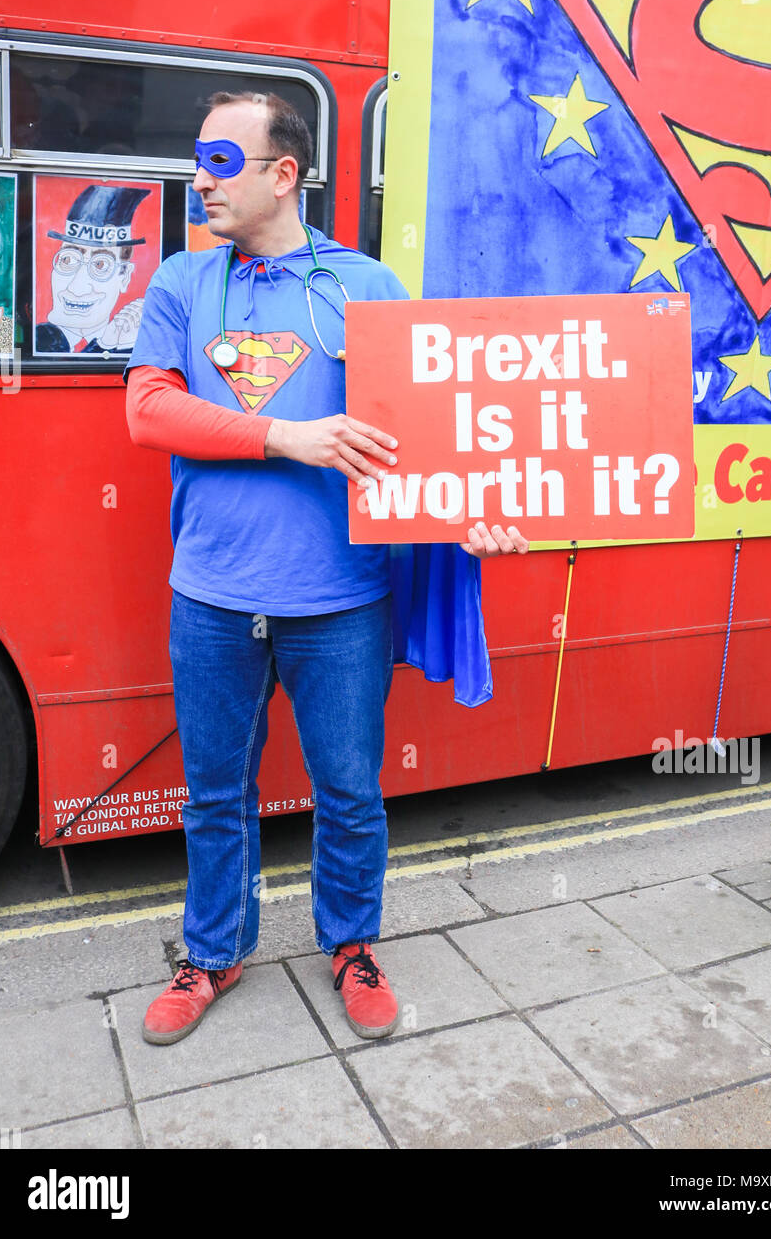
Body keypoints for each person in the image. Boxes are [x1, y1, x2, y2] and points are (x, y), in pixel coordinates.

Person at [125, 90, 528, 1044]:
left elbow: (426, 439)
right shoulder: (182, 281)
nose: (200, 179)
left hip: (342, 599)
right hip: (211, 596)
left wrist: (473, 516)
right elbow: (146, 410)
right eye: (198, 158)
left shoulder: (370, 288)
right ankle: (212, 953)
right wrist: (286, 436)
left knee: (349, 791)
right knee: (215, 792)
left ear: (282, 174)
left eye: (222, 161)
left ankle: (351, 945)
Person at [38, 184, 150, 353]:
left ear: (125, 277)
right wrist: (104, 345)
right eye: (68, 260)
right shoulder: (32, 340)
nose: (77, 287)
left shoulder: (136, 347)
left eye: (100, 265)